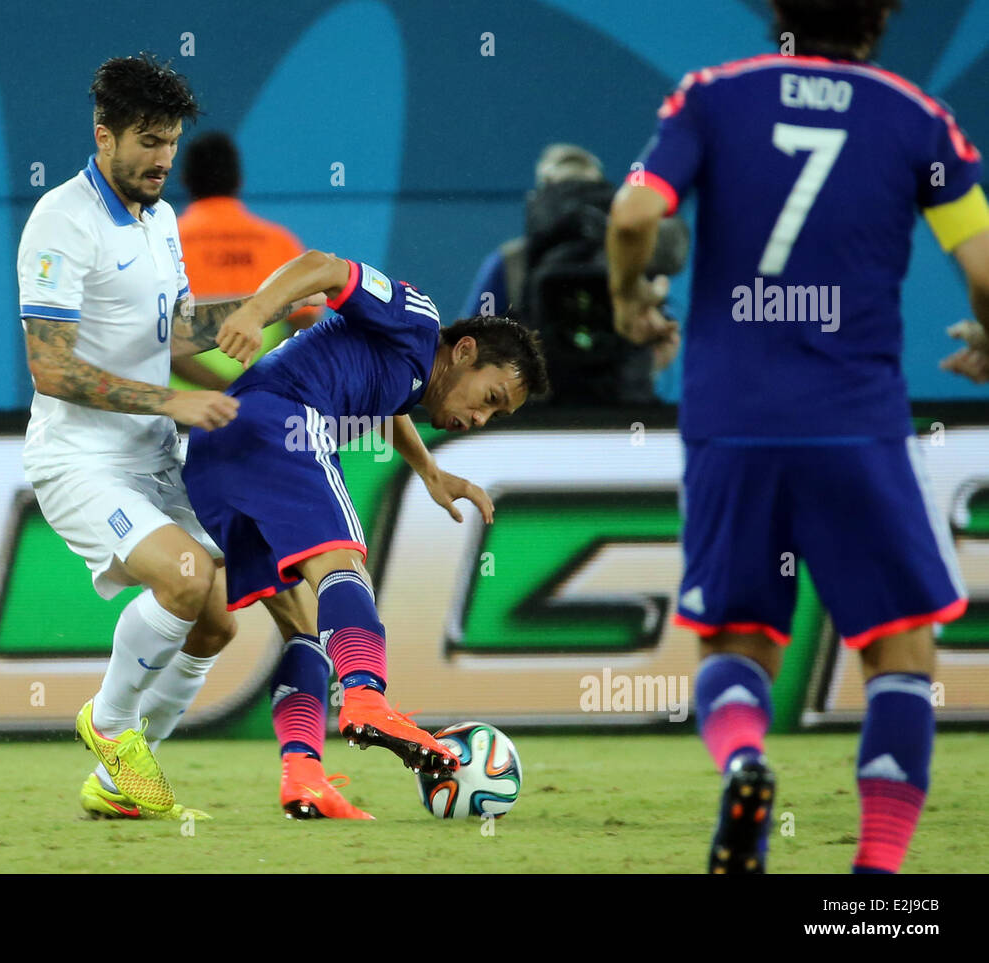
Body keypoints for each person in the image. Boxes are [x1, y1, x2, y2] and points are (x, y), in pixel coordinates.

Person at [606, 0, 989, 873]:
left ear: (776, 9)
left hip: (730, 423)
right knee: (901, 642)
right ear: (883, 14)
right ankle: (875, 879)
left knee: (738, 638)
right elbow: (986, 272)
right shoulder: (918, 118)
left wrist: (631, 299)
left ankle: (745, 763)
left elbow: (633, 217)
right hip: (857, 425)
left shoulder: (710, 97)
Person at [16, 54, 316, 820]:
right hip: (80, 458)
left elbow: (175, 331)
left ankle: (119, 784)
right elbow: (50, 369)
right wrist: (171, 403)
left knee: (215, 620)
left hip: (149, 454)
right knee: (184, 575)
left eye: (171, 142)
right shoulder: (60, 218)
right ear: (103, 135)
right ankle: (108, 725)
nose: (162, 159)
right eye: (147, 141)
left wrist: (261, 312)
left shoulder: (161, 219)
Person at [183, 251, 549, 818]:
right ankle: (367, 698)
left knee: (303, 628)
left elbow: (388, 400)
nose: (480, 419)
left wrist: (429, 470)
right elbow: (324, 267)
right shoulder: (417, 317)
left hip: (216, 449)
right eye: (490, 399)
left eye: (494, 417)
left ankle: (303, 777)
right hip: (280, 420)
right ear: (466, 351)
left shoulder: (407, 371)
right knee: (344, 569)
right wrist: (255, 312)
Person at [461, 144, 689, 404]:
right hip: (623, 407)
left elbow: (470, 349)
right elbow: (664, 343)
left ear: (539, 196)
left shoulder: (508, 262)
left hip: (534, 419)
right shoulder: (631, 255)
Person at [171, 131, 318, 391]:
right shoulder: (280, 242)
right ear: (238, 180)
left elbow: (151, 338)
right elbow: (305, 329)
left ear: (185, 180)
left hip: (182, 409)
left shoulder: (167, 243)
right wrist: (249, 384)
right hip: (259, 402)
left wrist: (218, 388)